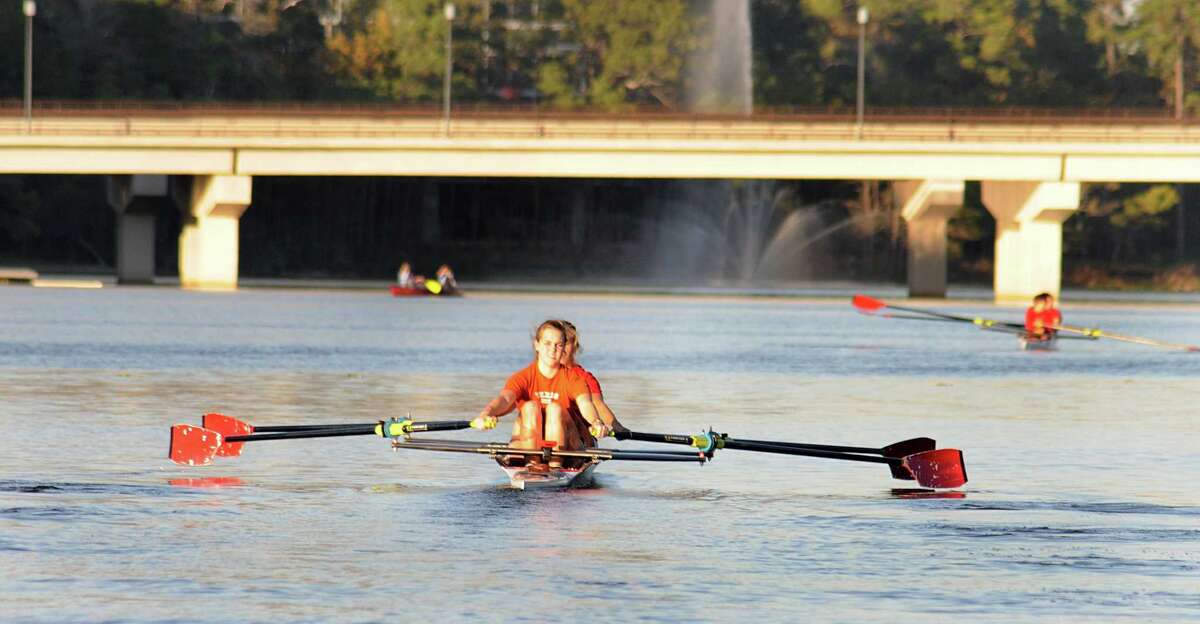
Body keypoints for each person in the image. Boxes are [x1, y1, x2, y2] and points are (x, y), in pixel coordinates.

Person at [471, 320, 611, 469]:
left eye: (558, 345)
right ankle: (532, 464)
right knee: (530, 407)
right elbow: (505, 398)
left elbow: (585, 404)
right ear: (536, 345)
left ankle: (555, 465)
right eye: (547, 343)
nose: (553, 350)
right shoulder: (523, 377)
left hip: (569, 449)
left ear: (564, 348)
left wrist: (596, 422)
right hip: (534, 445)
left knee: (554, 409)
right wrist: (485, 414)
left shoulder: (574, 379)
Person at [559, 320, 627, 450]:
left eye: (565, 342)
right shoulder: (536, 374)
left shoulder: (585, 378)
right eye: (555, 343)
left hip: (582, 438)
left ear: (575, 346)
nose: (560, 347)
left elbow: (598, 404)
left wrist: (617, 427)